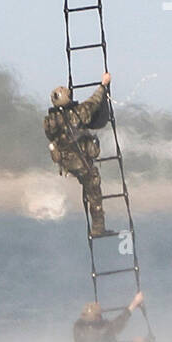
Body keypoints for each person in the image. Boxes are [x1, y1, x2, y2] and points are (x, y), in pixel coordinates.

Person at [44, 71, 113, 236]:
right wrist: (103, 85)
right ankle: (98, 228)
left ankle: (97, 227)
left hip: (66, 163)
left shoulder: (50, 121)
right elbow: (94, 102)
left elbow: (51, 135)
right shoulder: (77, 114)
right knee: (94, 190)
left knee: (87, 184)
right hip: (81, 162)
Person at [73, 291, 144, 342]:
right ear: (98, 317)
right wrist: (134, 303)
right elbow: (119, 322)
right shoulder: (104, 330)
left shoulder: (78, 328)